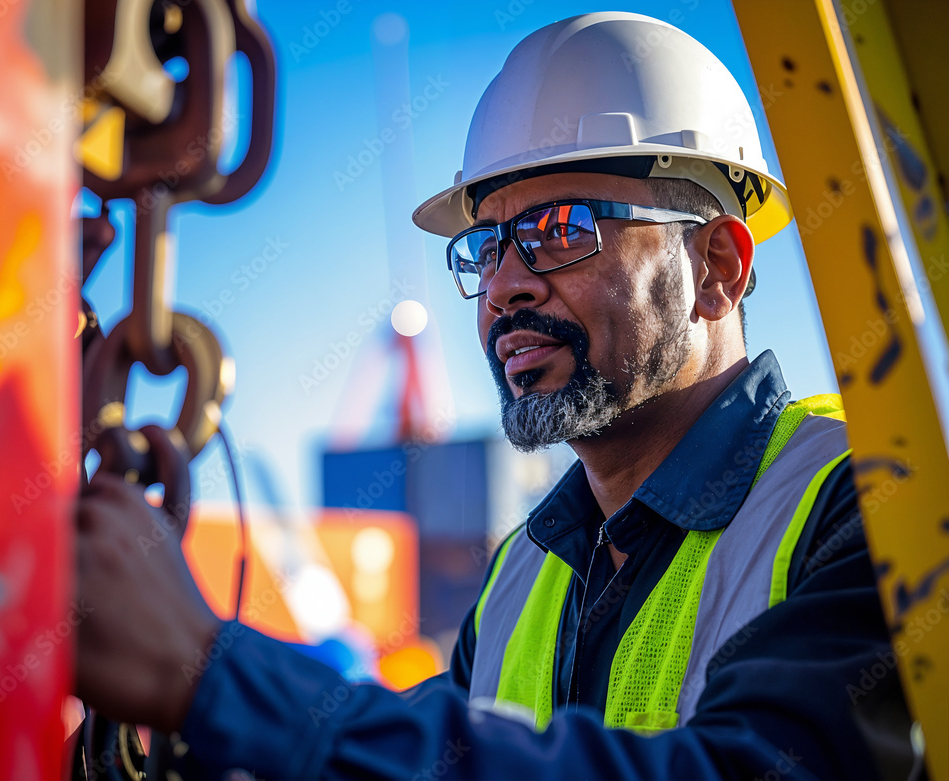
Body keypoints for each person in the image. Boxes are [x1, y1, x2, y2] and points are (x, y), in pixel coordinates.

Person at [76, 12, 917, 780]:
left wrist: (214, 678)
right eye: (487, 245)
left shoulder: (870, 509)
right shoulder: (521, 573)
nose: (505, 286)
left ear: (718, 269)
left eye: (562, 230)